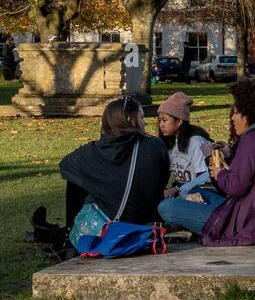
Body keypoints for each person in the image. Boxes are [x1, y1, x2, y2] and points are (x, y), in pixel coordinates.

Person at [28, 97, 170, 254]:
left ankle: (63, 232)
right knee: (82, 175)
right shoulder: (155, 145)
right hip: (147, 216)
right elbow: (161, 180)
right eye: (142, 118)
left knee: (78, 176)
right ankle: (49, 232)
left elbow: (66, 165)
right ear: (130, 119)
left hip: (115, 221)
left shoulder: (99, 149)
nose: (145, 123)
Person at [198, 80, 255, 246]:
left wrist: (219, 173)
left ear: (249, 114)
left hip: (248, 220)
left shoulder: (253, 139)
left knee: (168, 207)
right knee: (201, 193)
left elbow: (235, 186)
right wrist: (229, 160)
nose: (232, 118)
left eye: (236, 112)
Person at [156, 93, 225, 233]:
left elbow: (205, 177)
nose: (161, 125)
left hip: (204, 194)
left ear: (179, 121)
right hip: (185, 194)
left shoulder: (196, 142)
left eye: (165, 120)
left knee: (167, 207)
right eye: (159, 121)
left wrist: (176, 189)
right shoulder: (169, 144)